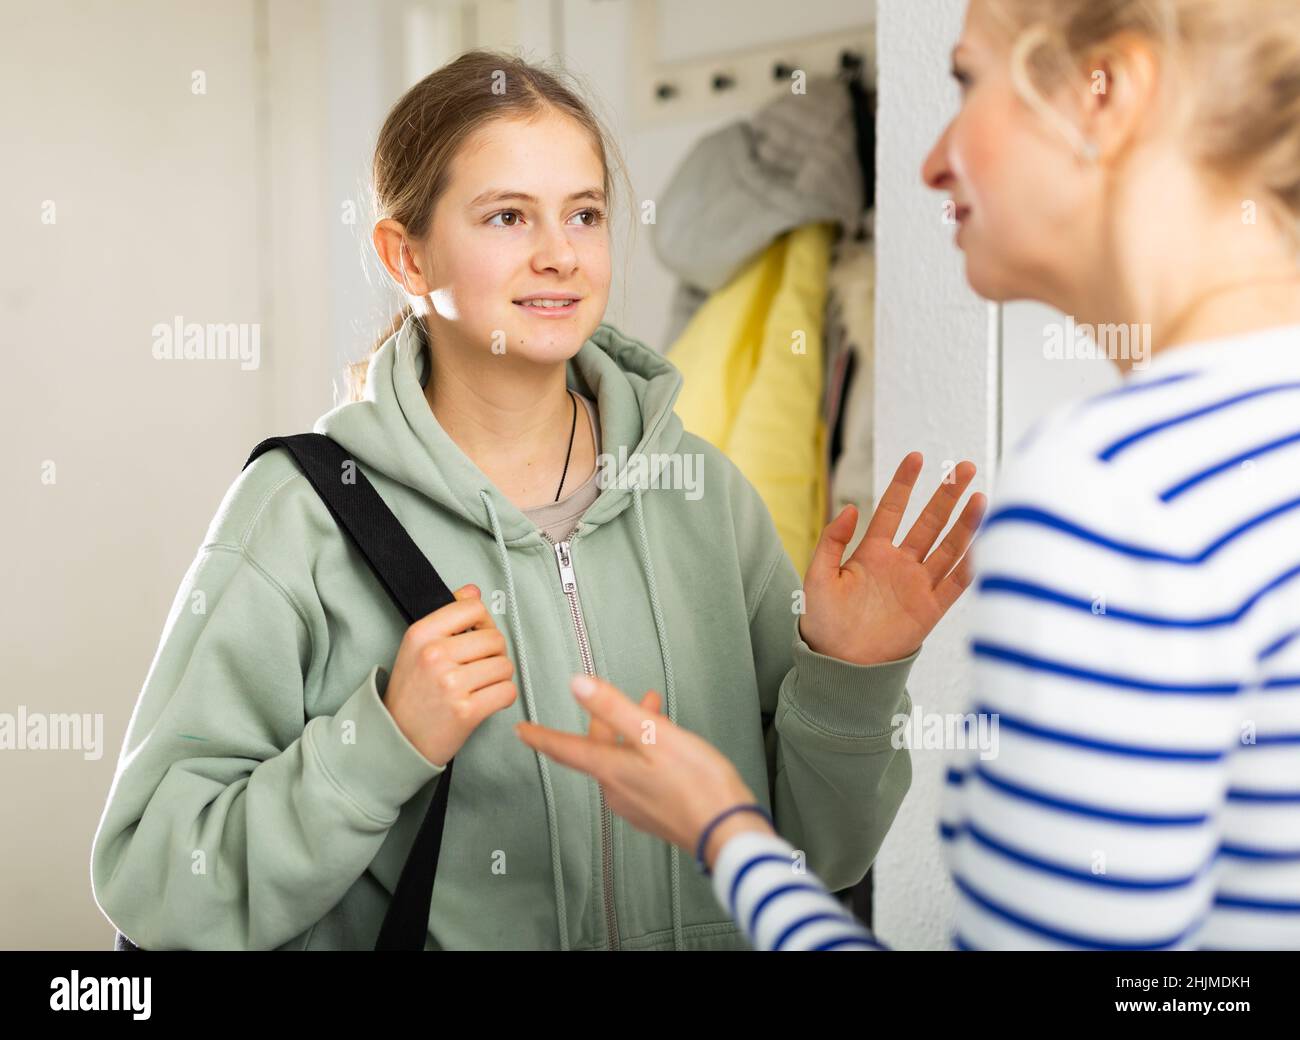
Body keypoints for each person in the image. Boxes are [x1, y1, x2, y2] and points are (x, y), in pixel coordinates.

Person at [89, 49, 980, 951]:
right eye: (508, 215)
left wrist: (847, 682)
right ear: (406, 256)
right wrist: (386, 738)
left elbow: (813, 862)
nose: (560, 255)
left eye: (584, 214)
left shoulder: (704, 496)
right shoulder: (299, 515)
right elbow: (160, 885)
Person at [517, 0, 1300, 951]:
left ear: (1110, 93)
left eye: (968, 82)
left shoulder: (1114, 497)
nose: (930, 161)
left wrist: (723, 830)